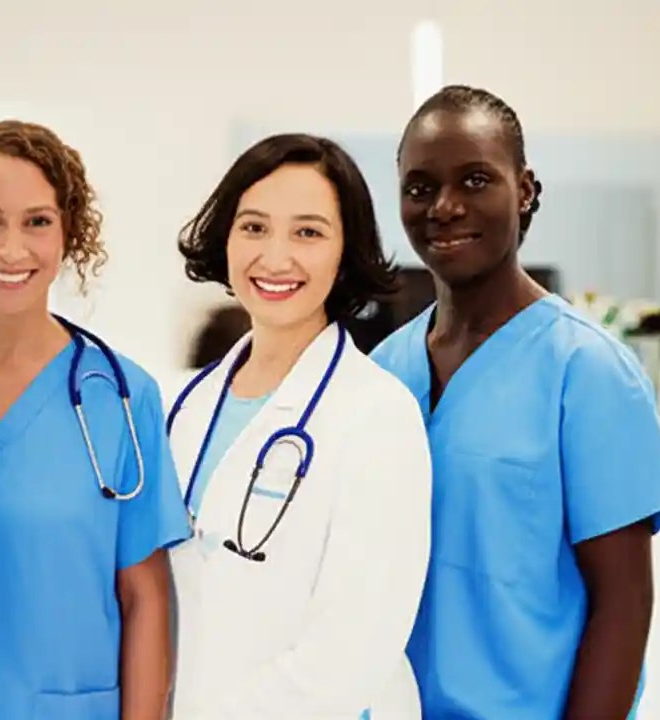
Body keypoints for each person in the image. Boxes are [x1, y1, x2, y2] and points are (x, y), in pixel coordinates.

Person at [370, 84, 660, 719]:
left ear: (526, 191)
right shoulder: (382, 374)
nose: (446, 207)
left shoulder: (588, 371)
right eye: (421, 187)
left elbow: (623, 605)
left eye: (476, 179)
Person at [0, 119, 190, 720]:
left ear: (69, 234)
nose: (12, 248)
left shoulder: (118, 397)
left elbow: (145, 600)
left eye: (37, 221)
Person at [166, 133, 431, 719]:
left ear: (346, 254)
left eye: (308, 232)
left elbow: (350, 651)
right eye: (254, 227)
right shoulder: (184, 406)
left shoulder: (377, 415)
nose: (276, 256)